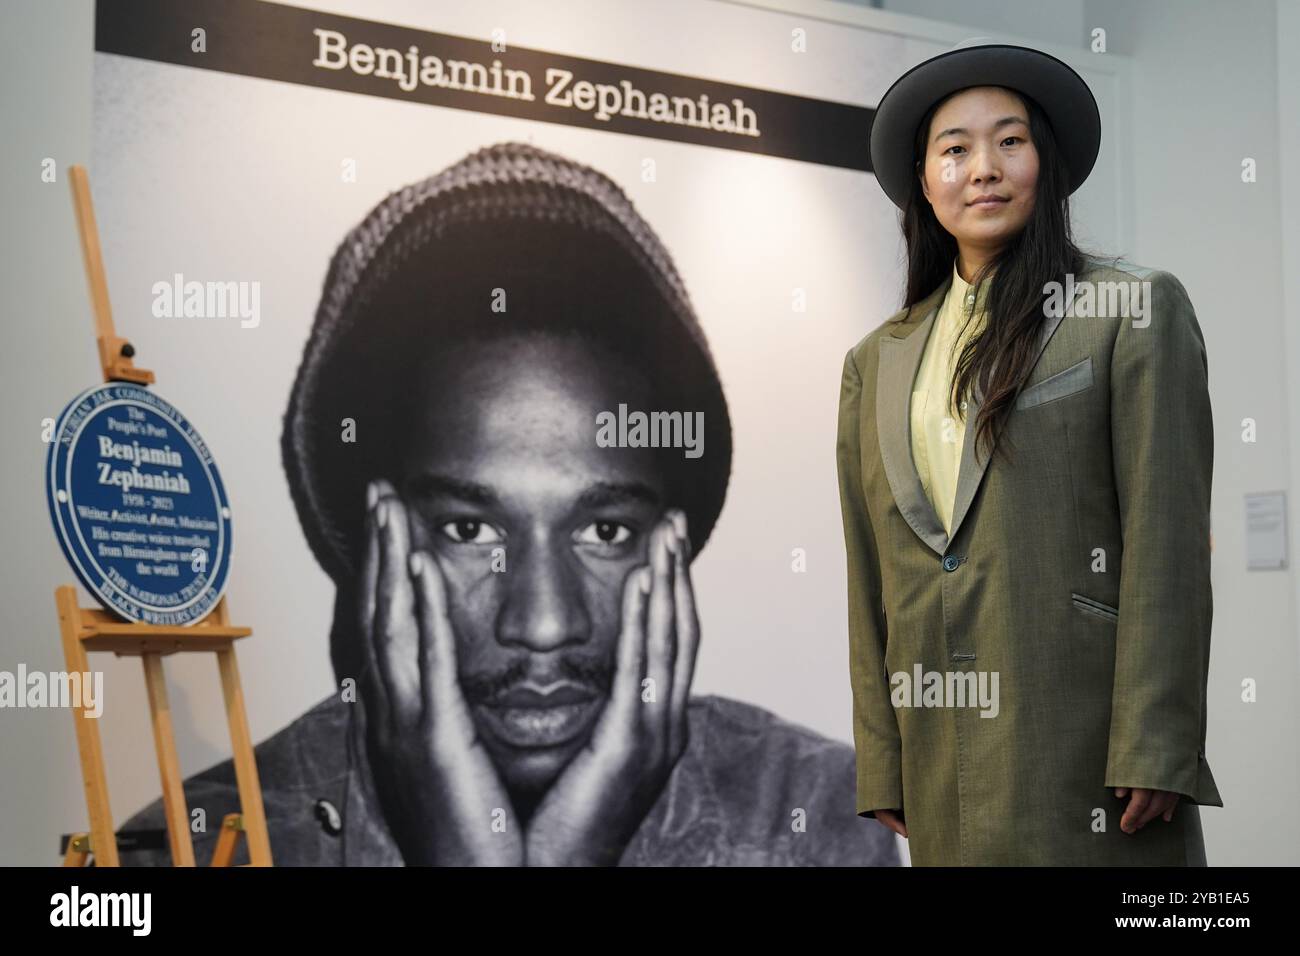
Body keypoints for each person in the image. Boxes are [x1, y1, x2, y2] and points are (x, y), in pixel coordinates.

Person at [119, 141, 899, 867]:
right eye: (469, 528)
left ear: (672, 543)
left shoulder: (810, 815)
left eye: (603, 529)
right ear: (374, 539)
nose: (544, 624)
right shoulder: (201, 848)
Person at [837, 43, 1221, 865]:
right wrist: (883, 759)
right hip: (940, 752)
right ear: (924, 179)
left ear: (1046, 161)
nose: (984, 168)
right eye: (955, 149)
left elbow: (1169, 540)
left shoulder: (1131, 309)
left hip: (1086, 751)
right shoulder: (876, 359)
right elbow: (868, 571)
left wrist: (1157, 740)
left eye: (1011, 141)